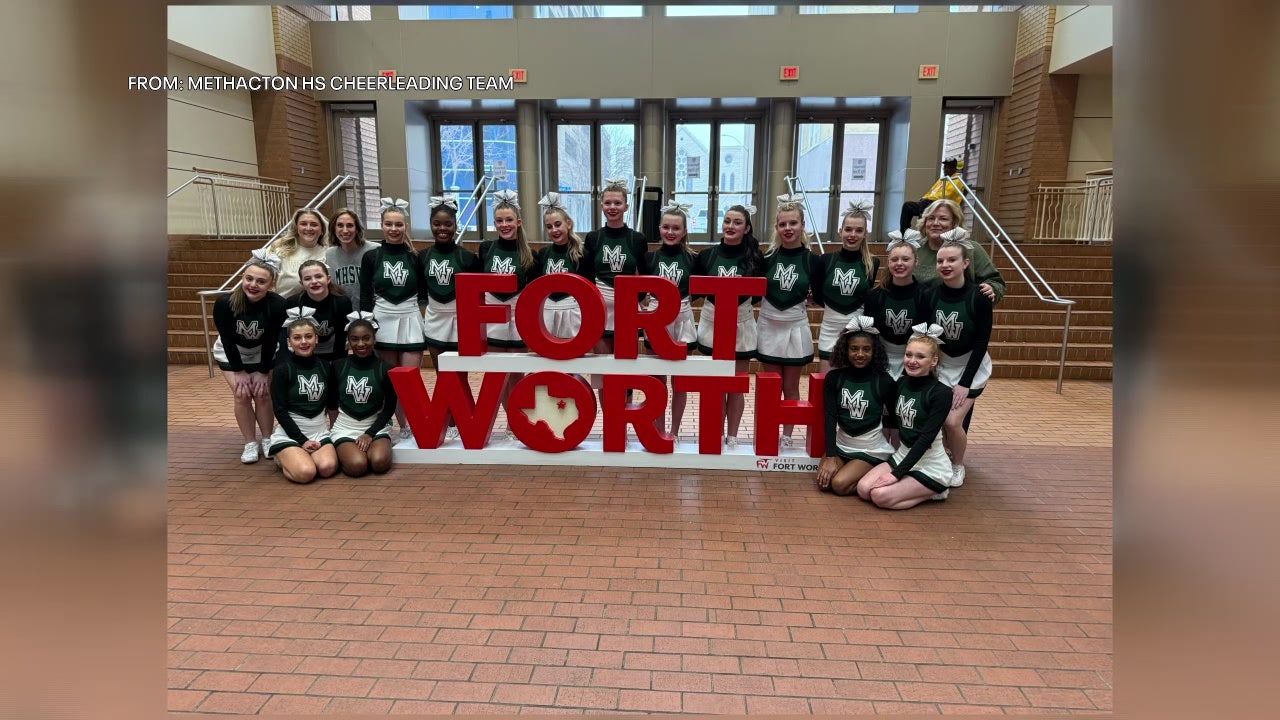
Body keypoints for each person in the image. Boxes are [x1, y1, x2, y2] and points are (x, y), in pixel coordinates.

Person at [855, 324, 958, 508]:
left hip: (930, 464)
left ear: (933, 361)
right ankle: (911, 485)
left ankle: (938, 488)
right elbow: (894, 419)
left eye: (920, 356)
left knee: (879, 496)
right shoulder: (901, 383)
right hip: (903, 454)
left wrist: (896, 474)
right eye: (908, 355)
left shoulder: (941, 393)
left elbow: (926, 438)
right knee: (863, 489)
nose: (912, 361)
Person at [926, 232, 994, 488]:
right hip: (941, 365)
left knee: (953, 421)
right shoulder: (932, 294)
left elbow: (981, 343)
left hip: (970, 367)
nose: (945, 265)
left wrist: (965, 383)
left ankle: (958, 465)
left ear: (965, 263)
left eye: (952, 260)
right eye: (941, 261)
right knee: (939, 417)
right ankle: (943, 457)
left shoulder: (980, 296)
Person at [694, 204, 764, 447]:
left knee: (736, 382)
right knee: (714, 383)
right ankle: (713, 432)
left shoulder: (755, 256)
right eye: (727, 221)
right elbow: (694, 291)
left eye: (737, 222)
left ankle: (732, 435)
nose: (730, 226)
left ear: (746, 228)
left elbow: (756, 296)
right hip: (712, 319)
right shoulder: (707, 256)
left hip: (741, 321)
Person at [757, 194, 824, 448]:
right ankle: (768, 430)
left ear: (802, 224)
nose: (788, 229)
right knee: (771, 386)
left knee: (791, 385)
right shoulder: (767, 258)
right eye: (783, 224)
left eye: (793, 223)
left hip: (795, 326)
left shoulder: (812, 259)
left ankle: (787, 434)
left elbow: (818, 294)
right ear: (776, 227)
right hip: (769, 324)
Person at [359, 197, 429, 439]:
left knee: (410, 379)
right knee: (389, 378)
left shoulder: (415, 258)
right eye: (389, 224)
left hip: (409, 317)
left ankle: (416, 422)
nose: (394, 229)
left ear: (405, 226)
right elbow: (365, 295)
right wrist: (366, 324)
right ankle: (402, 426)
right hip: (383, 319)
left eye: (398, 224)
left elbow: (423, 293)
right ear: (382, 225)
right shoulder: (371, 257)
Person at [212, 249, 289, 464]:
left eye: (261, 281)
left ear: (271, 284)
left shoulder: (277, 305)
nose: (253, 285)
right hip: (232, 353)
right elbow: (227, 339)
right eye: (249, 278)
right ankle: (249, 442)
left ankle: (267, 438)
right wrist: (239, 371)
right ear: (242, 278)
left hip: (262, 352)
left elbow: (272, 339)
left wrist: (263, 372)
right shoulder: (224, 303)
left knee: (263, 393)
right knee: (242, 393)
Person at [418, 194, 481, 441]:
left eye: (447, 224)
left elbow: (477, 294)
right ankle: (450, 421)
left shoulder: (467, 257)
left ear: (456, 225)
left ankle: (466, 419)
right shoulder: (422, 257)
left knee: (460, 375)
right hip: (435, 318)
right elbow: (422, 292)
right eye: (437, 224)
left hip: (461, 320)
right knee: (442, 374)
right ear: (431, 225)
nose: (442, 229)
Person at [815, 314, 896, 496]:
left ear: (875, 351)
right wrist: (830, 455)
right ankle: (856, 473)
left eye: (866, 349)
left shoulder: (884, 381)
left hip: (870, 449)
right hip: (842, 444)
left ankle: (876, 469)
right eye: (854, 349)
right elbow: (830, 416)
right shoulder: (834, 378)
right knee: (824, 484)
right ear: (846, 350)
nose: (860, 354)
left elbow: (895, 417)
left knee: (838, 485)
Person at [479, 189, 540, 424]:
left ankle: (519, 419)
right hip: (493, 313)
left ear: (519, 222)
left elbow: (534, 292)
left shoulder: (530, 254)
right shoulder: (486, 248)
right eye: (499, 221)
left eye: (509, 220)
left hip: (517, 315)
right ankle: (510, 422)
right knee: (497, 375)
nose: (504, 225)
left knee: (516, 374)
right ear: (494, 223)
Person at [643, 202, 699, 439]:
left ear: (684, 231)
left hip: (683, 317)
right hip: (656, 319)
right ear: (659, 228)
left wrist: (683, 302)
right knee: (657, 383)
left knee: (681, 382)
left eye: (676, 228)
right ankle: (657, 430)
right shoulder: (649, 257)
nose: (670, 232)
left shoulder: (694, 259)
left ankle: (674, 431)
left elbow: (697, 289)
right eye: (666, 227)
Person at [583, 178, 648, 372]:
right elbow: (586, 275)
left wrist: (638, 300)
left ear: (626, 206)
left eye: (618, 203)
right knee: (603, 370)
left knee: (624, 369)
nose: (613, 207)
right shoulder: (593, 238)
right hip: (600, 308)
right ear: (601, 205)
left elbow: (643, 274)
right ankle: (607, 405)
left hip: (627, 309)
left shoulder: (637, 239)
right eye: (608, 203)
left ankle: (623, 403)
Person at [264, 315, 339, 484]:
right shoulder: (283, 370)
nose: (304, 342)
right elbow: (280, 410)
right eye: (297, 338)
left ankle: (300, 457)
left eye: (308, 336)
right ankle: (282, 456)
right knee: (306, 473)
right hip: (291, 434)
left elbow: (332, 404)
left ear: (316, 339)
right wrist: (302, 440)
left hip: (319, 431)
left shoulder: (325, 367)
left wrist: (334, 432)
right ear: (289, 342)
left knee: (327, 468)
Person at [816, 200, 880, 372]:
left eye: (859, 230)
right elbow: (818, 294)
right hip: (829, 327)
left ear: (866, 233)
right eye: (848, 229)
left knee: (851, 384)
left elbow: (865, 297)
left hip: (856, 330)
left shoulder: (872, 262)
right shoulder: (826, 260)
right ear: (840, 231)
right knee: (826, 383)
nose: (853, 234)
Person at [330, 312, 396, 477]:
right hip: (345, 428)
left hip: (376, 427)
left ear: (374, 339)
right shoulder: (338, 366)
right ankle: (343, 454)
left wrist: (370, 433)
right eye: (355, 339)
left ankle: (364, 450)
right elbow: (331, 402)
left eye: (366, 338)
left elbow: (389, 408)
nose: (361, 344)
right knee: (357, 466)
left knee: (380, 463)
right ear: (349, 341)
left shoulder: (385, 368)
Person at [864, 229, 930, 379]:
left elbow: (924, 335)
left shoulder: (926, 294)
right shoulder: (874, 295)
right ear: (888, 262)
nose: (899, 264)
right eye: (894, 260)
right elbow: (870, 334)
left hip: (913, 360)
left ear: (916, 261)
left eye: (905, 259)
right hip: (881, 359)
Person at [913, 200, 1005, 303]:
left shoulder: (971, 248)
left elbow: (996, 281)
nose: (935, 223)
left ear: (955, 223)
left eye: (943, 219)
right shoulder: (914, 248)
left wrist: (991, 288)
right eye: (931, 218)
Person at [535, 193, 588, 340]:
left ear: (568, 223)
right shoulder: (544, 253)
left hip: (573, 310)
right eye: (549, 227)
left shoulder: (581, 254)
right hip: (547, 309)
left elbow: (588, 289)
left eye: (558, 224)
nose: (554, 230)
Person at [278, 259, 352, 362]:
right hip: (302, 353)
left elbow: (342, 337)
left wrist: (337, 365)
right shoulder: (293, 303)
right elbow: (286, 336)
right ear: (301, 283)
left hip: (333, 353)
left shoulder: (342, 302)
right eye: (307, 279)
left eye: (319, 276)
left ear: (328, 279)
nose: (314, 281)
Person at [267, 207, 329, 299]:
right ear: (296, 228)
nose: (308, 228)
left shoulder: (328, 253)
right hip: (283, 307)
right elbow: (264, 281)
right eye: (303, 224)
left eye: (314, 224)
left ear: (322, 229)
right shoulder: (278, 249)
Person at [326, 208, 378, 311]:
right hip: (343, 313)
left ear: (357, 229)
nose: (345, 230)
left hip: (372, 312)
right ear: (334, 228)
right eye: (340, 225)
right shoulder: (329, 254)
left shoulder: (374, 249)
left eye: (350, 225)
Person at [899, 158, 964, 233]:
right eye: (944, 167)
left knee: (925, 204)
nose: (945, 169)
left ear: (954, 168)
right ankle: (904, 233)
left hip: (944, 204)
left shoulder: (957, 180)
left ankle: (922, 232)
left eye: (948, 167)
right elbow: (931, 191)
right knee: (908, 205)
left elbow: (947, 195)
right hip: (930, 202)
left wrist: (928, 199)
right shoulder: (942, 180)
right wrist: (924, 197)